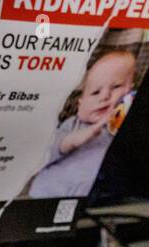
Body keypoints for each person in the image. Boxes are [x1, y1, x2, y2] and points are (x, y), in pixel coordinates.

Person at [25, 50, 136, 199]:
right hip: (50, 191)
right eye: (95, 92)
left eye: (116, 87)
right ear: (80, 105)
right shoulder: (74, 124)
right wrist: (74, 139)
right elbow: (44, 153)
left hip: (94, 197)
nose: (104, 96)